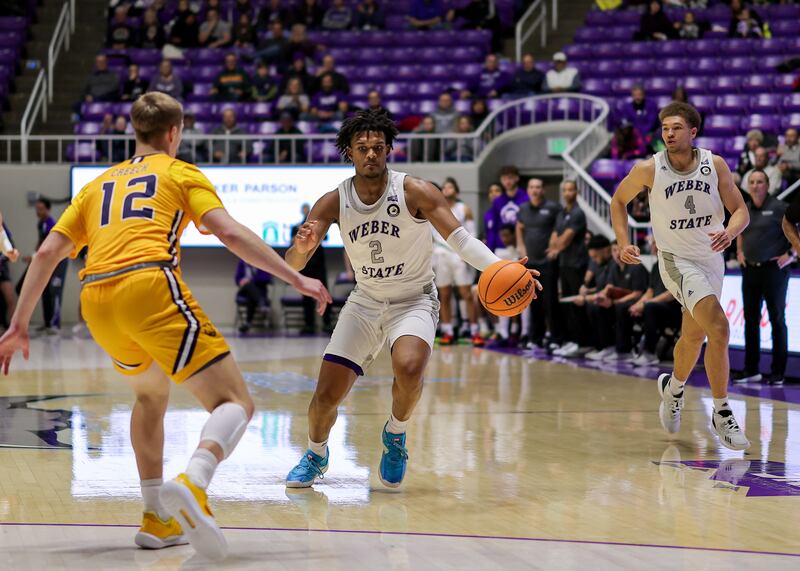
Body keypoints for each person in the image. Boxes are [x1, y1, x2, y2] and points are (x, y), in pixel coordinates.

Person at [0, 91, 331, 560]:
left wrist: (18, 324)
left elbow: (51, 253)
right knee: (235, 401)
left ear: (134, 131)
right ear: (174, 133)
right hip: (147, 286)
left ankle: (156, 517)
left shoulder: (97, 185)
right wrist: (294, 274)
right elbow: (228, 231)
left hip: (95, 299)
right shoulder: (180, 172)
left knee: (150, 396)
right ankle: (194, 481)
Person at [281, 109, 541, 488]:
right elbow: (294, 262)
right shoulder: (333, 201)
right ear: (349, 152)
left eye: (378, 148)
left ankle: (396, 434)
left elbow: (461, 240)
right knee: (325, 396)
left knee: (409, 366)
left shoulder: (414, 191)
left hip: (414, 299)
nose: (371, 154)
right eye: (362, 148)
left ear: (388, 150)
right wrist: (301, 249)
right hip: (365, 301)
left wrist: (499, 268)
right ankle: (316, 454)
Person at [610, 101, 751, 450]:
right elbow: (617, 202)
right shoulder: (649, 169)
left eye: (675, 128)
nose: (668, 134)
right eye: (664, 129)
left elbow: (741, 211)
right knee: (719, 327)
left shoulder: (713, 164)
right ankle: (722, 412)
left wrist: (731, 233)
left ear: (692, 132)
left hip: (711, 260)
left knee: (693, 337)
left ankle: (673, 389)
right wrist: (624, 242)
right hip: (676, 261)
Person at [733, 169, 794, 386]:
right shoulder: (745, 208)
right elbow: (739, 230)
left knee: (777, 320)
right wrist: (740, 252)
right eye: (752, 182)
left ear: (767, 185)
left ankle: (778, 372)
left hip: (774, 270)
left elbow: (796, 228)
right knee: (750, 320)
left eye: (760, 182)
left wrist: (792, 254)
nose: (756, 185)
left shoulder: (779, 207)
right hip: (750, 269)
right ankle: (751, 369)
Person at [432, 178, 482, 346]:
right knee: (444, 295)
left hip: (459, 255)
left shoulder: (464, 209)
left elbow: (472, 234)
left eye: (450, 186)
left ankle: (475, 331)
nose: (446, 189)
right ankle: (448, 330)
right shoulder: (434, 210)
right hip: (440, 255)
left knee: (467, 295)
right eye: (444, 186)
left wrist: (468, 255)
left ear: (456, 191)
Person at [516, 178, 562, 348]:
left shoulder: (553, 207)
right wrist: (521, 249)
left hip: (547, 262)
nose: (535, 190)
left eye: (538, 187)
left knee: (550, 301)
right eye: (532, 187)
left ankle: (555, 338)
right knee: (533, 301)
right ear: (528, 190)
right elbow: (519, 228)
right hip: (531, 262)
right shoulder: (523, 209)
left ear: (543, 190)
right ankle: (536, 338)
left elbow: (559, 229)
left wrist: (553, 247)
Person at [549, 181, 591, 358]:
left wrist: (556, 248)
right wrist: (555, 247)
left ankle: (582, 342)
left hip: (576, 263)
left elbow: (565, 239)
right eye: (564, 190)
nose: (567, 193)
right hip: (564, 263)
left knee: (576, 304)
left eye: (570, 190)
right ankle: (571, 340)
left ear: (576, 192)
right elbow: (554, 237)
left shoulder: (577, 213)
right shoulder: (561, 213)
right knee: (566, 303)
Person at [628, 237, 681, 366]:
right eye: (652, 243)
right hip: (657, 307)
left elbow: (672, 294)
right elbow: (650, 291)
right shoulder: (655, 266)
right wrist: (638, 304)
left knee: (650, 307)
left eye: (655, 243)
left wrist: (647, 304)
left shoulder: (674, 264)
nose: (652, 246)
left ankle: (649, 353)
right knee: (629, 307)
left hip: (674, 309)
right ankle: (626, 349)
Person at [291, 203, 332, 334]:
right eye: (304, 209)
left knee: (324, 291)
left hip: (319, 264)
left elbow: (325, 238)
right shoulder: (296, 227)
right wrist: (299, 234)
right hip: (305, 265)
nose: (306, 211)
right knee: (306, 296)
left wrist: (315, 232)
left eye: (307, 209)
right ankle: (309, 325)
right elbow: (292, 244)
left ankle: (327, 323)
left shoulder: (317, 227)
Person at [491, 224, 530, 346]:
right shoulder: (499, 252)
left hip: (522, 287)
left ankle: (524, 333)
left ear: (514, 235)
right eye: (502, 236)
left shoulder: (522, 250)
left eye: (507, 235)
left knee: (526, 298)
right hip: (506, 287)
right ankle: (503, 332)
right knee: (499, 297)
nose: (504, 239)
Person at [486, 165, 527, 251]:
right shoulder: (497, 201)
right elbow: (494, 227)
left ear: (517, 178)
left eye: (510, 178)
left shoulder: (526, 198)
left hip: (521, 246)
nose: (507, 181)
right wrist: (490, 248)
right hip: (501, 247)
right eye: (504, 179)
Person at [235, 260, 271, 333]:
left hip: (258, 290)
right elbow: (237, 279)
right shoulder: (242, 263)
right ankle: (261, 303)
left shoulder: (262, 261)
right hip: (244, 290)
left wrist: (251, 280)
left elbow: (266, 278)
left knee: (251, 296)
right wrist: (242, 281)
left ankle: (247, 323)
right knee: (249, 286)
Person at [0, 212, 19, 330]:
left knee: (10, 299)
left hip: (2, 268)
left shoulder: (2, 231)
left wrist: (12, 253)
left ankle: (12, 330)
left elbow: (10, 251)